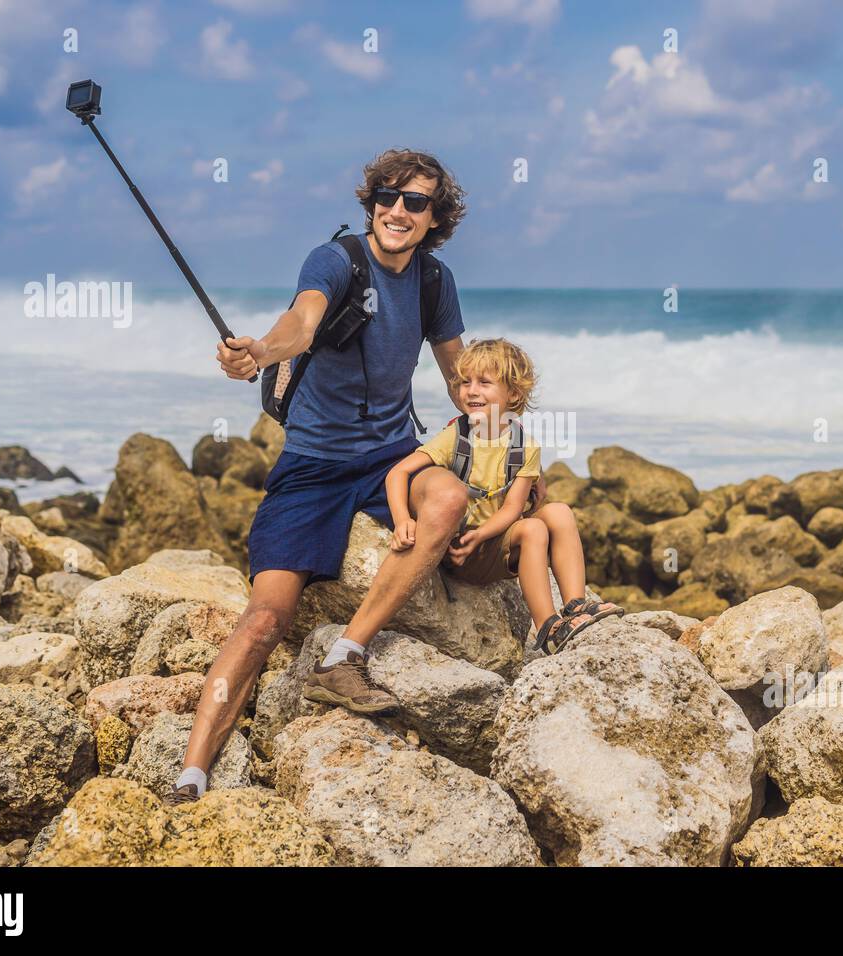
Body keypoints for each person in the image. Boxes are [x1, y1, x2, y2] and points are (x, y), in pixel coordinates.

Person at [165, 149, 530, 804]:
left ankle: (344, 656)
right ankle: (191, 774)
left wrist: (499, 441)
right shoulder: (334, 260)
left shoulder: (433, 282)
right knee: (263, 621)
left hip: (391, 456)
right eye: (387, 197)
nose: (398, 210)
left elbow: (456, 376)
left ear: (434, 216)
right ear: (371, 204)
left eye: (415, 201)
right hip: (311, 467)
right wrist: (257, 351)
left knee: (445, 495)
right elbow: (300, 325)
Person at [384, 338, 622, 657]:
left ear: (512, 394)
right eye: (465, 382)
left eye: (484, 382)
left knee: (560, 512)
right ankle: (548, 628)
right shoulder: (455, 436)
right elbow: (397, 473)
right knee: (534, 529)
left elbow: (512, 509)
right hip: (460, 551)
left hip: (491, 541)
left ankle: (575, 605)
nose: (471, 390)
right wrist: (402, 521)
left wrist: (484, 533)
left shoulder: (525, 447)